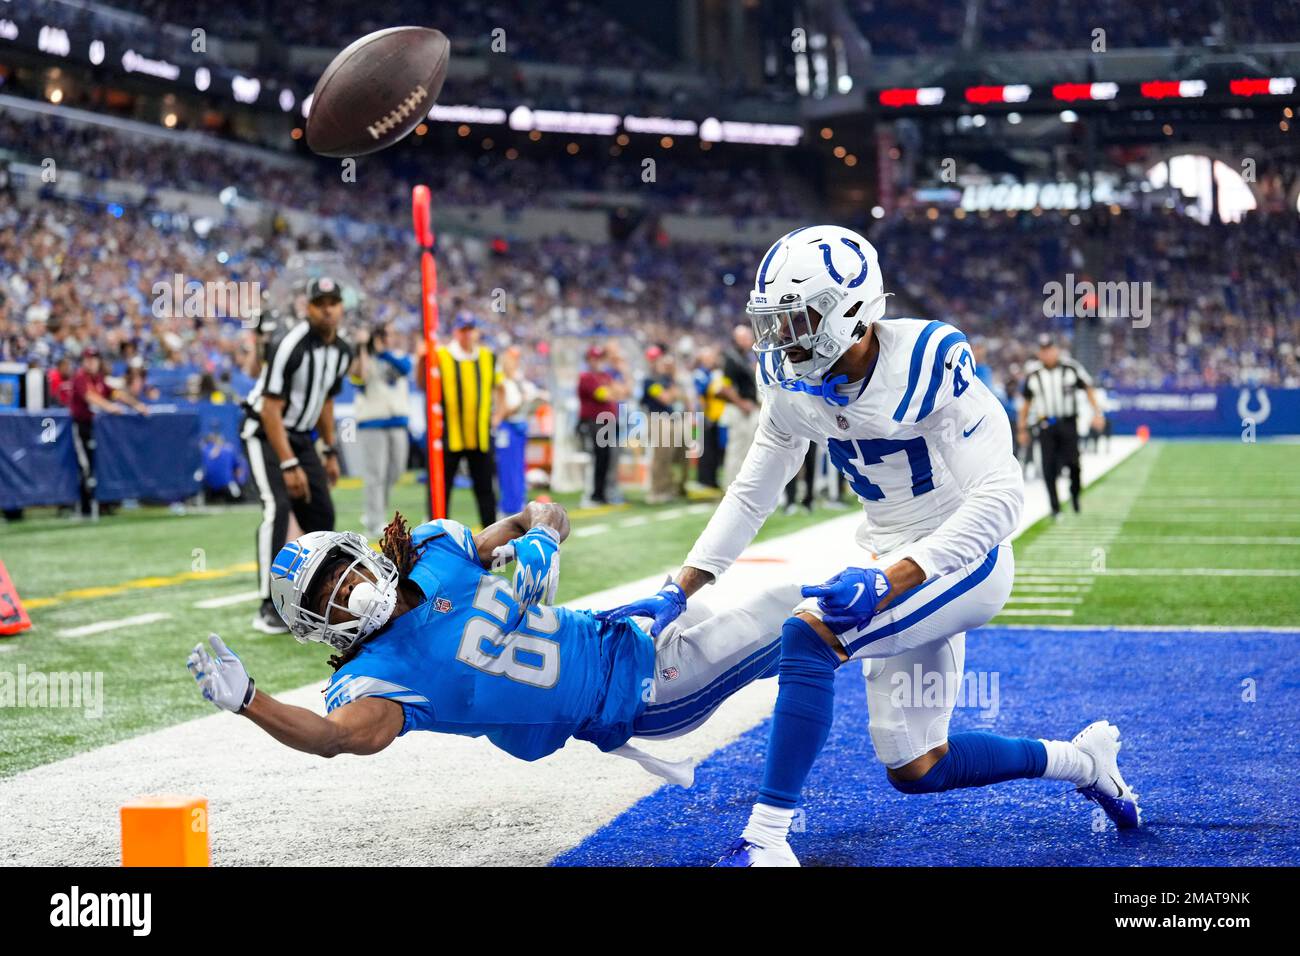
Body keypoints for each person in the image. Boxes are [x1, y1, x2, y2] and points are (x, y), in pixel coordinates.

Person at [601, 225, 1140, 866]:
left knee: (809, 633)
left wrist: (894, 576)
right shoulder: (787, 378)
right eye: (776, 320)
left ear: (852, 314)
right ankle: (1083, 763)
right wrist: (680, 588)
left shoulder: (930, 360)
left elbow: (999, 501)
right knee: (917, 765)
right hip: (884, 548)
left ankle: (766, 842)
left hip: (963, 552)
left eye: (798, 318)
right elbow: (752, 492)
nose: (783, 337)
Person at [187, 504, 799, 786]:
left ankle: (882, 649)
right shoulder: (378, 675)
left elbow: (545, 511)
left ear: (361, 554)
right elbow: (333, 738)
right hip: (642, 695)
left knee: (745, 618)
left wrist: (541, 545)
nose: (346, 590)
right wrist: (251, 701)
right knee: (792, 611)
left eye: (341, 570)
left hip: (626, 634)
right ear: (318, 627)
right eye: (327, 596)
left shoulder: (432, 549)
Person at [241, 276, 352, 634]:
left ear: (341, 306)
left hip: (302, 437)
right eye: (321, 303)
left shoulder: (343, 351)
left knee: (322, 513)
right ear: (308, 307)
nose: (328, 309)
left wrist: (329, 449)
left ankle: (314, 596)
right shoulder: (291, 345)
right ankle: (267, 605)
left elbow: (325, 401)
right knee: (278, 508)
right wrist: (288, 463)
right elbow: (271, 409)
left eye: (333, 302)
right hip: (264, 431)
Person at [1016, 335, 1106, 518]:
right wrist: (1022, 428)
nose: (1047, 354)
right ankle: (1055, 508)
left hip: (1068, 423)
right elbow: (1025, 404)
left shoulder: (1071, 368)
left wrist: (1097, 413)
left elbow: (1088, 388)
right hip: (1045, 425)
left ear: (1056, 350)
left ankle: (1074, 495)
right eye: (1043, 350)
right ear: (1039, 353)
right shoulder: (1034, 374)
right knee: (1048, 467)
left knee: (1074, 464)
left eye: (1050, 349)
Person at [436, 313, 503, 528]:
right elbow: (424, 385)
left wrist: (498, 415)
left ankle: (492, 537)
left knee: (485, 489)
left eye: (471, 329)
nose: (467, 334)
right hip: (449, 434)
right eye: (463, 329)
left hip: (480, 434)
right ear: (456, 332)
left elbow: (501, 387)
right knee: (442, 490)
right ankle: (438, 535)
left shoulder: (487, 357)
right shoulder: (441, 356)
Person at [68, 346, 149, 517]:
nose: (91, 362)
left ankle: (102, 504)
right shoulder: (80, 378)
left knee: (100, 465)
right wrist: (109, 407)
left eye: (94, 359)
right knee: (85, 466)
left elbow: (116, 393)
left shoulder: (98, 379)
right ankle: (86, 507)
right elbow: (90, 396)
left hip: (98, 429)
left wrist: (137, 405)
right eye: (88, 359)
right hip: (81, 426)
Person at [350, 322, 412, 537]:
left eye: (389, 333)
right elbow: (359, 377)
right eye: (384, 334)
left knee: (395, 472)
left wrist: (382, 352)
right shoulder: (365, 359)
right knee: (375, 474)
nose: (388, 337)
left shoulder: (398, 356)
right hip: (372, 422)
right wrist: (362, 347)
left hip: (398, 421)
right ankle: (374, 520)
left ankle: (374, 513)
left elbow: (405, 369)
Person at [576, 344, 628, 506]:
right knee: (597, 458)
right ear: (589, 360)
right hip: (593, 423)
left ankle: (602, 493)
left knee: (606, 458)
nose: (597, 361)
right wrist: (613, 392)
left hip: (607, 423)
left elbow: (623, 392)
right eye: (594, 358)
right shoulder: (586, 377)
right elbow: (603, 395)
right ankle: (594, 494)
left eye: (599, 358)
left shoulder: (605, 376)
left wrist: (614, 390)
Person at [495, 345, 541, 516]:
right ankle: (508, 508)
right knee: (509, 470)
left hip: (519, 429)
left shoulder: (518, 382)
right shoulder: (502, 383)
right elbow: (501, 412)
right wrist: (521, 402)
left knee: (518, 469)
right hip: (507, 430)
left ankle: (518, 504)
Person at [643, 349, 686, 505]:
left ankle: (667, 488)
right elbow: (666, 398)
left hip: (669, 418)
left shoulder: (666, 379)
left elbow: (679, 395)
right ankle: (657, 490)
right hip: (657, 418)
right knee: (660, 456)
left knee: (669, 456)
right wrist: (673, 392)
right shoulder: (649, 380)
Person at [718, 325, 759, 487]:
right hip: (739, 411)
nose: (750, 340)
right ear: (738, 339)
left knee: (746, 449)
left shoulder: (745, 357)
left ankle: (741, 486)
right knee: (736, 449)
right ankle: (730, 486)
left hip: (748, 409)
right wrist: (741, 403)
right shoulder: (731, 358)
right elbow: (725, 388)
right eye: (746, 337)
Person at [692, 346, 724, 489]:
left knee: (715, 449)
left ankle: (712, 479)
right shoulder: (699, 374)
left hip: (715, 416)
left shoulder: (714, 373)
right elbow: (700, 393)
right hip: (703, 416)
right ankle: (703, 480)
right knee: (705, 449)